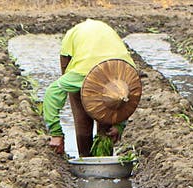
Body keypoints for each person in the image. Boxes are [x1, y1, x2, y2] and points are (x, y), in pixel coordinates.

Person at [43, 20, 142, 158]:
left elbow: (128, 103)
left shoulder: (129, 76)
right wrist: (56, 133)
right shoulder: (80, 74)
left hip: (110, 50)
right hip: (75, 49)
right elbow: (52, 92)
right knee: (81, 115)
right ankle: (85, 159)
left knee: (107, 122)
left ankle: (103, 160)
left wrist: (119, 126)